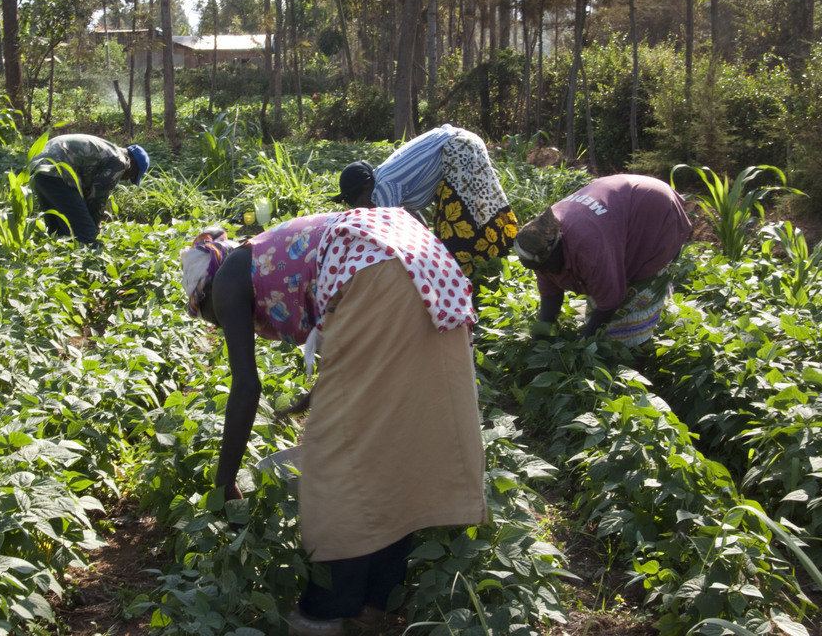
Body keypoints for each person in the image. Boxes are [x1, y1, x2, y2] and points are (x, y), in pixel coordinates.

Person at [180, 207, 487, 636]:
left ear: (206, 293)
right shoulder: (270, 252)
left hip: (379, 270)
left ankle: (326, 610)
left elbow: (246, 388)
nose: (224, 322)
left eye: (212, 316)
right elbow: (361, 342)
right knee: (392, 445)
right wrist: (317, 395)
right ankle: (376, 602)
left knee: (337, 458)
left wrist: (224, 479)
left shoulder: (229, 276)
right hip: (421, 264)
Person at [514, 174, 692, 347]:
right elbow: (550, 298)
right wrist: (540, 337)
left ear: (556, 249)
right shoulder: (540, 246)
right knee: (600, 309)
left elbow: (609, 302)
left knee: (632, 305)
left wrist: (585, 341)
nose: (543, 273)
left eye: (544, 268)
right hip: (617, 201)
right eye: (538, 269)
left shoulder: (589, 251)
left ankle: (638, 350)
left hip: (653, 207)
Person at [330, 124, 518, 276]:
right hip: (464, 143)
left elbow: (391, 233)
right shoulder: (385, 179)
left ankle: (462, 278)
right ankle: (496, 257)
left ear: (364, 188)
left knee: (456, 223)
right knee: (481, 207)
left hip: (458, 149)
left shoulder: (382, 188)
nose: (357, 207)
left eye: (354, 201)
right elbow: (413, 220)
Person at [30, 134, 150, 245]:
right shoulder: (120, 161)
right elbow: (97, 199)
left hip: (38, 166)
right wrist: (94, 229)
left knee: (58, 228)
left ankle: (59, 262)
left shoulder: (109, 150)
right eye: (132, 175)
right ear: (133, 164)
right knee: (86, 234)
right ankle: (90, 265)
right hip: (56, 169)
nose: (126, 179)